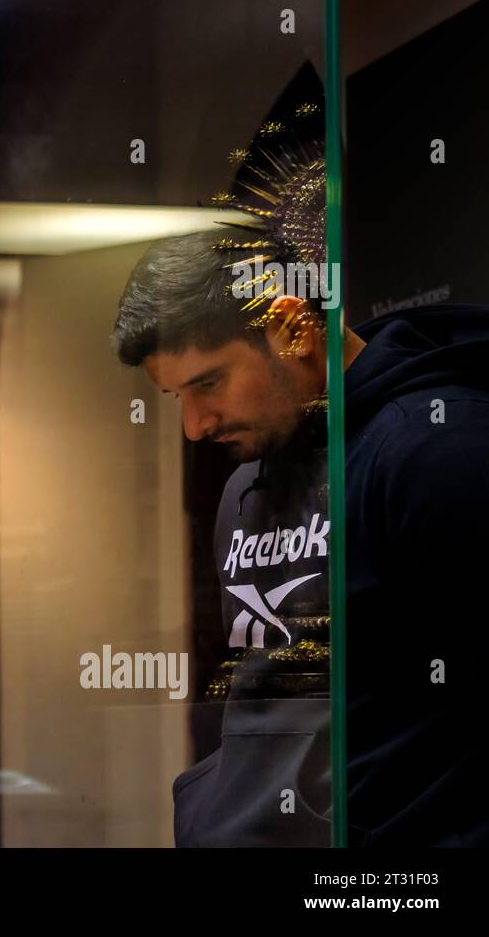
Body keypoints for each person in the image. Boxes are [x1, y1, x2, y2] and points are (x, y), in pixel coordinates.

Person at [111, 228, 489, 845]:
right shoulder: (244, 490)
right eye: (175, 396)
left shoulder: (438, 449)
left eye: (208, 383)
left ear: (292, 328)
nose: (194, 426)